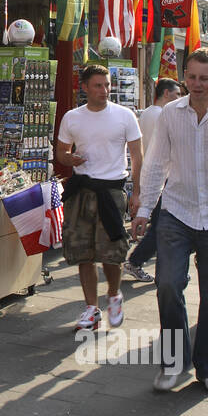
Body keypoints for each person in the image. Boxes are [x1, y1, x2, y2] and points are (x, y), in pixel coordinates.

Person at [134, 47, 208, 396]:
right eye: (191, 77)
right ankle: (173, 364)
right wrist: (144, 209)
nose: (197, 85)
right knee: (169, 286)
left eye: (205, 79)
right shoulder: (171, 113)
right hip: (178, 210)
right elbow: (157, 163)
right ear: (184, 76)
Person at [55, 64, 143, 331]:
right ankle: (91, 309)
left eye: (106, 85)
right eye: (98, 85)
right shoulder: (72, 117)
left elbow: (138, 156)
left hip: (112, 190)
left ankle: (114, 294)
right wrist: (68, 158)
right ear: (84, 88)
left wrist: (136, 193)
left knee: (111, 253)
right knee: (82, 252)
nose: (105, 90)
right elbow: (61, 152)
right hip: (81, 189)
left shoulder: (124, 115)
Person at [121, 78, 184, 284]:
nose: (179, 98)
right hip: (162, 176)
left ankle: (163, 266)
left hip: (152, 173)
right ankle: (137, 261)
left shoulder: (147, 113)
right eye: (177, 94)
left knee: (160, 224)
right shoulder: (165, 115)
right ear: (166, 93)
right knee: (161, 225)